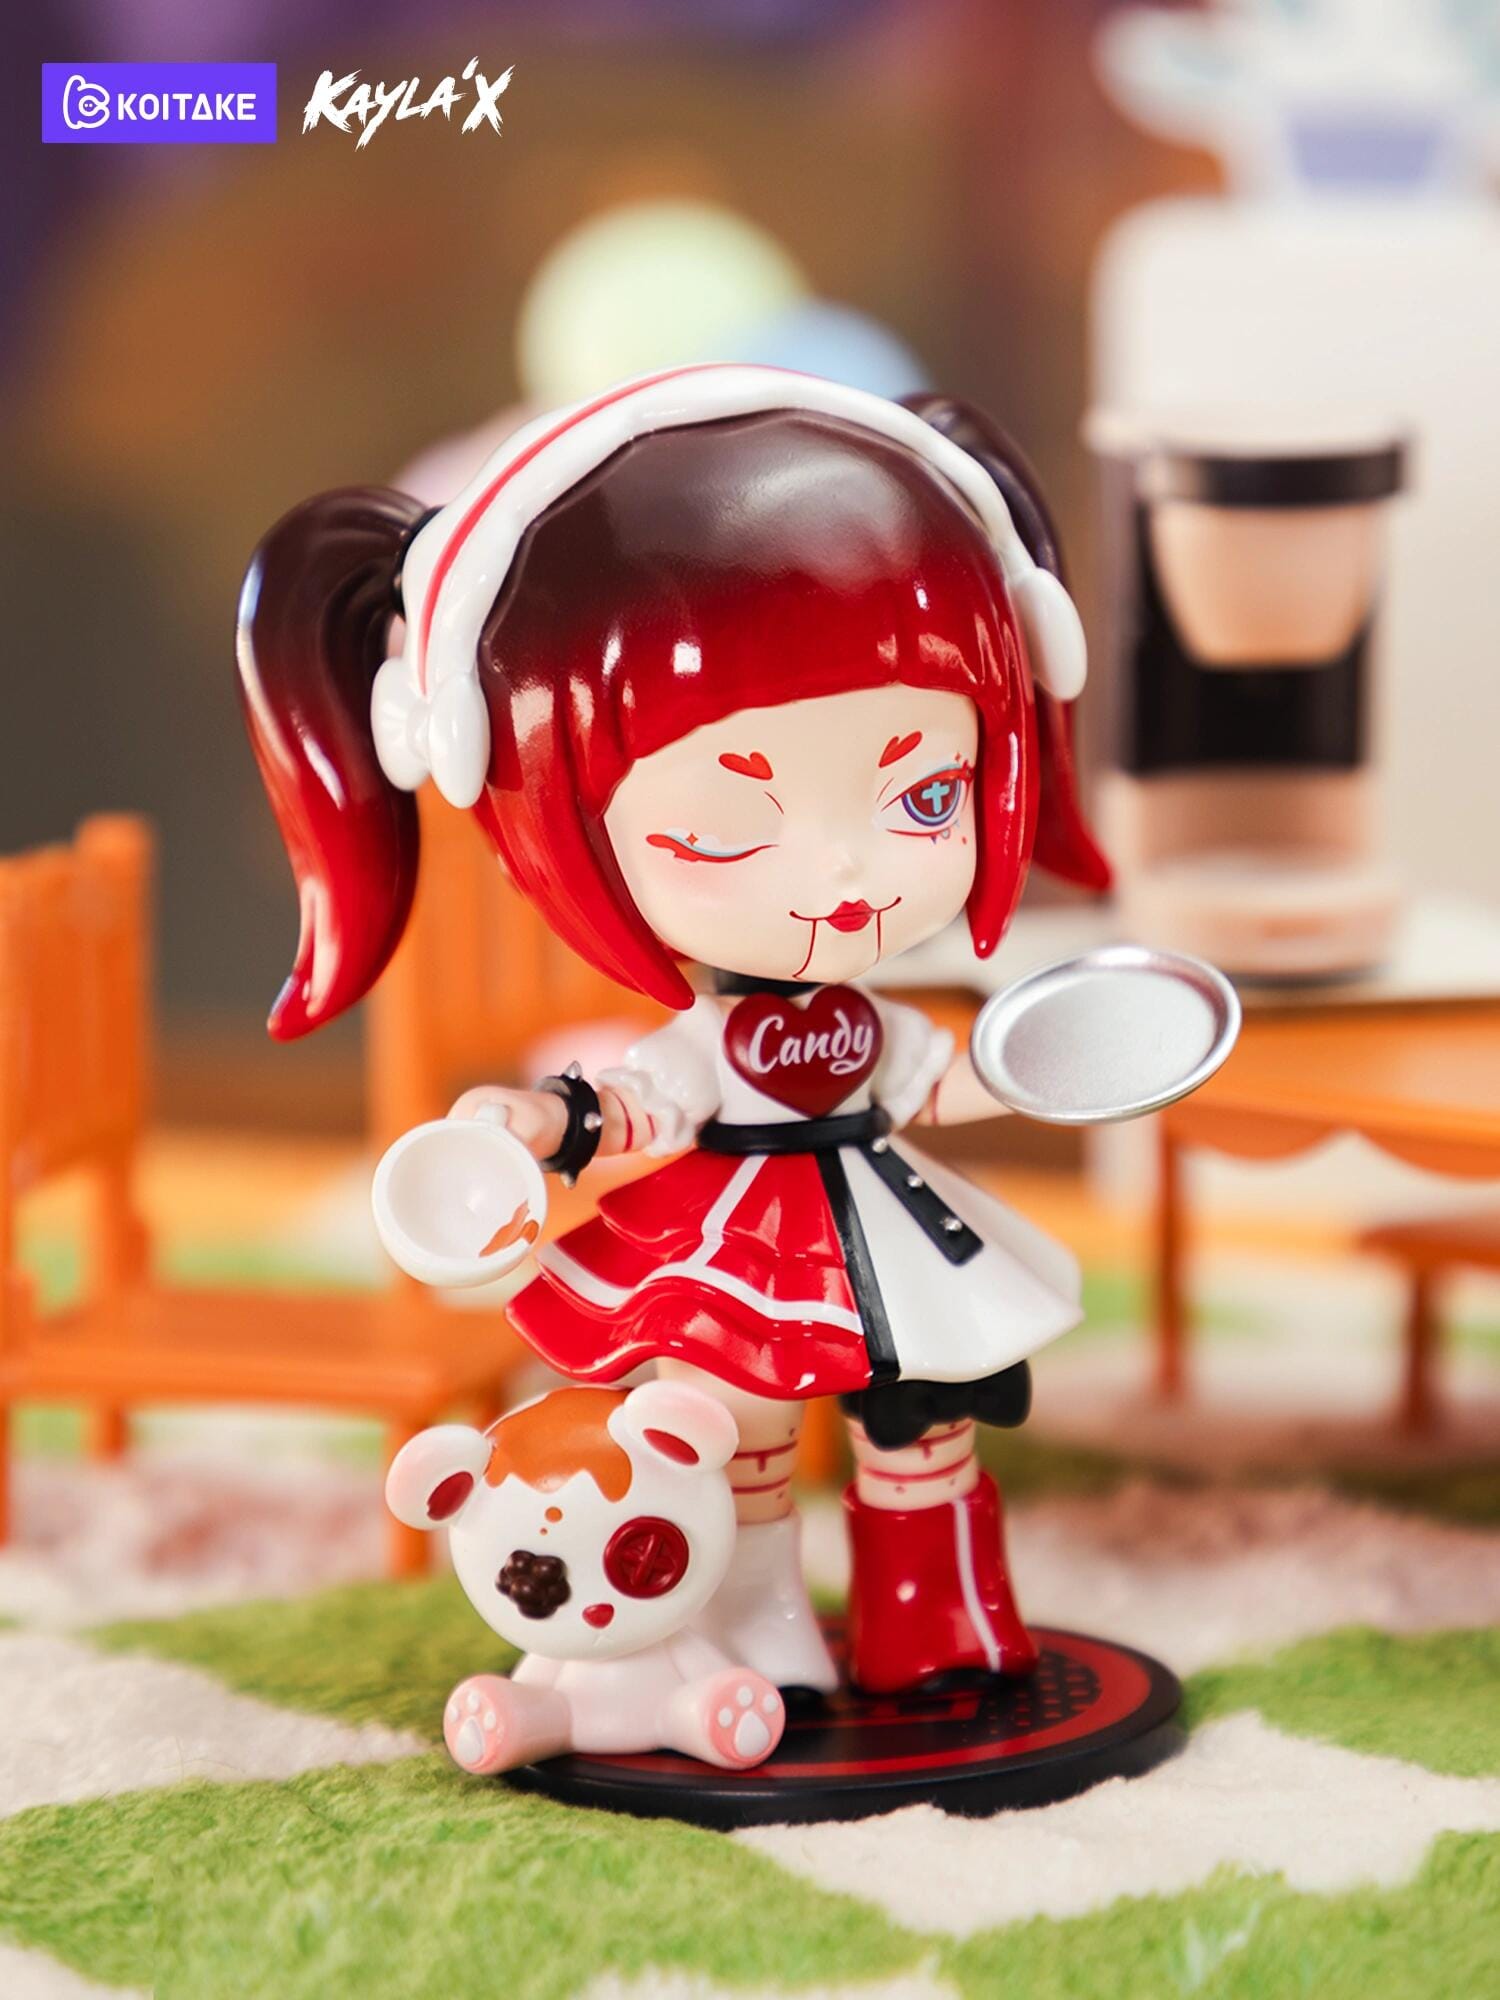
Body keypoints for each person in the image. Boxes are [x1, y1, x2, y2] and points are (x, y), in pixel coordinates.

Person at [237, 364, 1110, 1697]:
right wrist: (545, 1123)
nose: (845, 876)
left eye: (927, 797)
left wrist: (1055, 1058)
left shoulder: (872, 1023)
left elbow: (939, 1077)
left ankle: (938, 1625)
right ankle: (755, 1628)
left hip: (890, 1229)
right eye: (723, 829)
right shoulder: (704, 1040)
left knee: (926, 1420)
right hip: (729, 1242)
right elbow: (643, 1102)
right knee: (727, 1432)